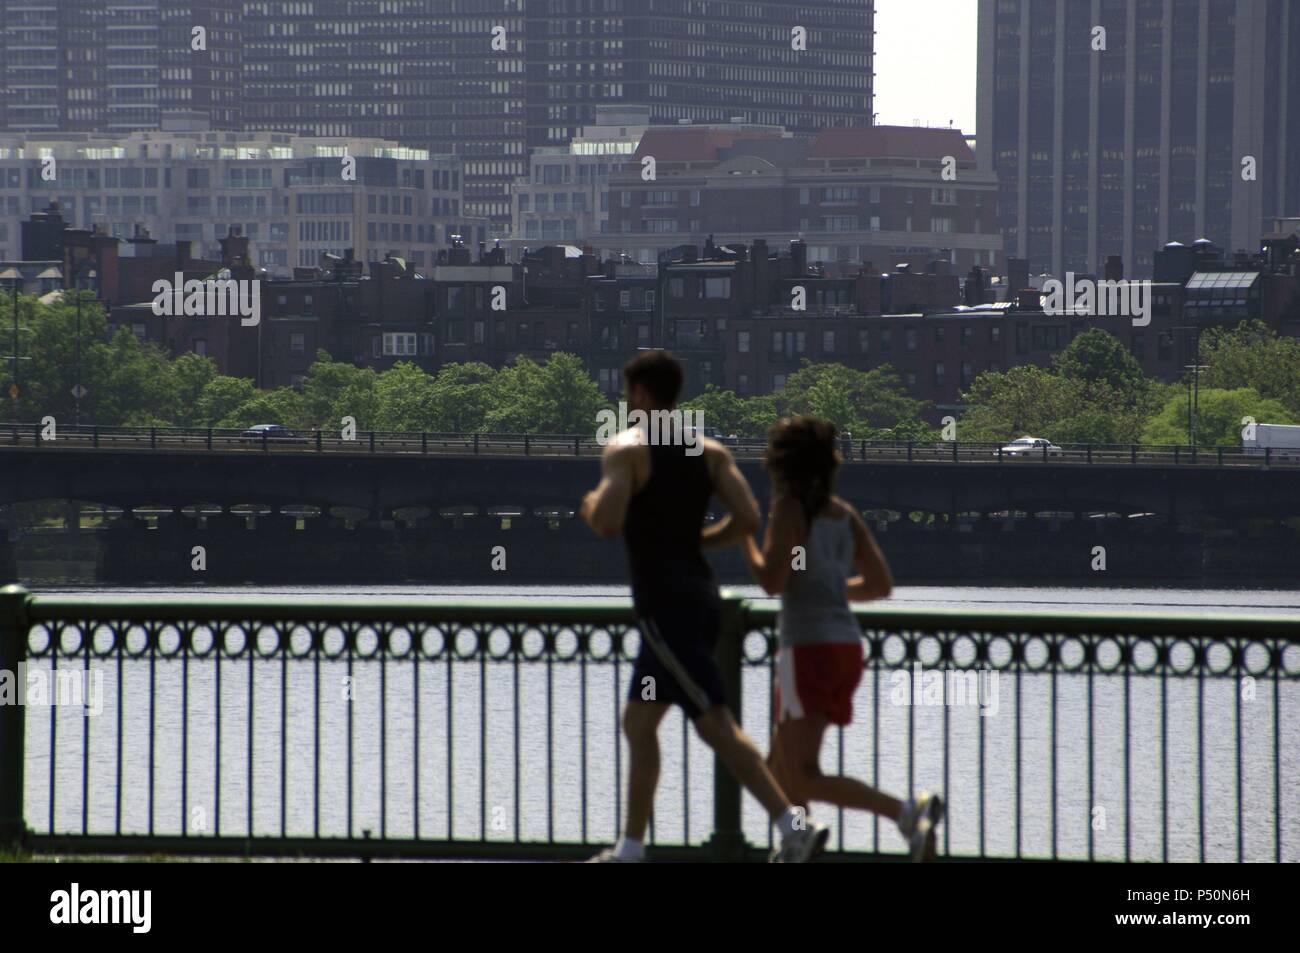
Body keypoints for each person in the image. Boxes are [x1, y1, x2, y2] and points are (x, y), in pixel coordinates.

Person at [581, 350, 828, 863]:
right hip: (699, 598)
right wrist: (697, 540)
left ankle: (794, 826)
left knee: (714, 723)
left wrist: (590, 505)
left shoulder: (626, 450)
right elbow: (746, 517)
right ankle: (630, 850)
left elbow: (606, 521)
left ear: (642, 395)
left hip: (665, 609)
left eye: (629, 395)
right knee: (639, 723)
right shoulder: (708, 451)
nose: (628, 405)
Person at [741, 415, 945, 862]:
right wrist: (831, 591)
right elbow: (879, 584)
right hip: (845, 649)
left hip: (807, 648)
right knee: (780, 767)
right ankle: (797, 843)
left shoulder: (791, 509)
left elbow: (774, 581)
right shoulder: (844, 515)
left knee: (804, 775)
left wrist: (744, 540)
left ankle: (908, 813)